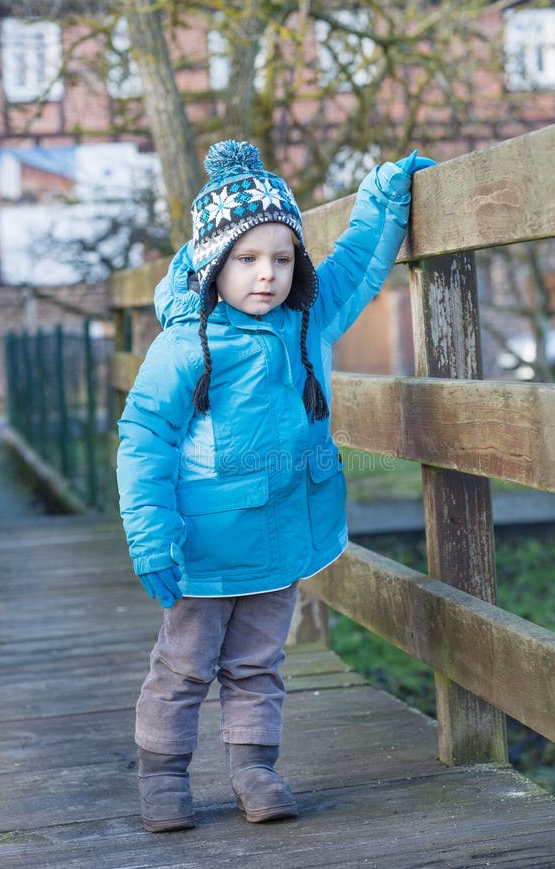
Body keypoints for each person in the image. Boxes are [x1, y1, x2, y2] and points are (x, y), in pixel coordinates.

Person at [116, 139, 435, 833]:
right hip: (203, 546)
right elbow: (145, 436)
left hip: (284, 535)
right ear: (213, 265)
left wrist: (385, 195)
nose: (267, 276)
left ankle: (254, 768)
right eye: (248, 259)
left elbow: (354, 266)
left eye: (282, 259)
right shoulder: (186, 344)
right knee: (185, 665)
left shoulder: (305, 323)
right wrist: (151, 532)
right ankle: (164, 776)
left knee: (260, 661)